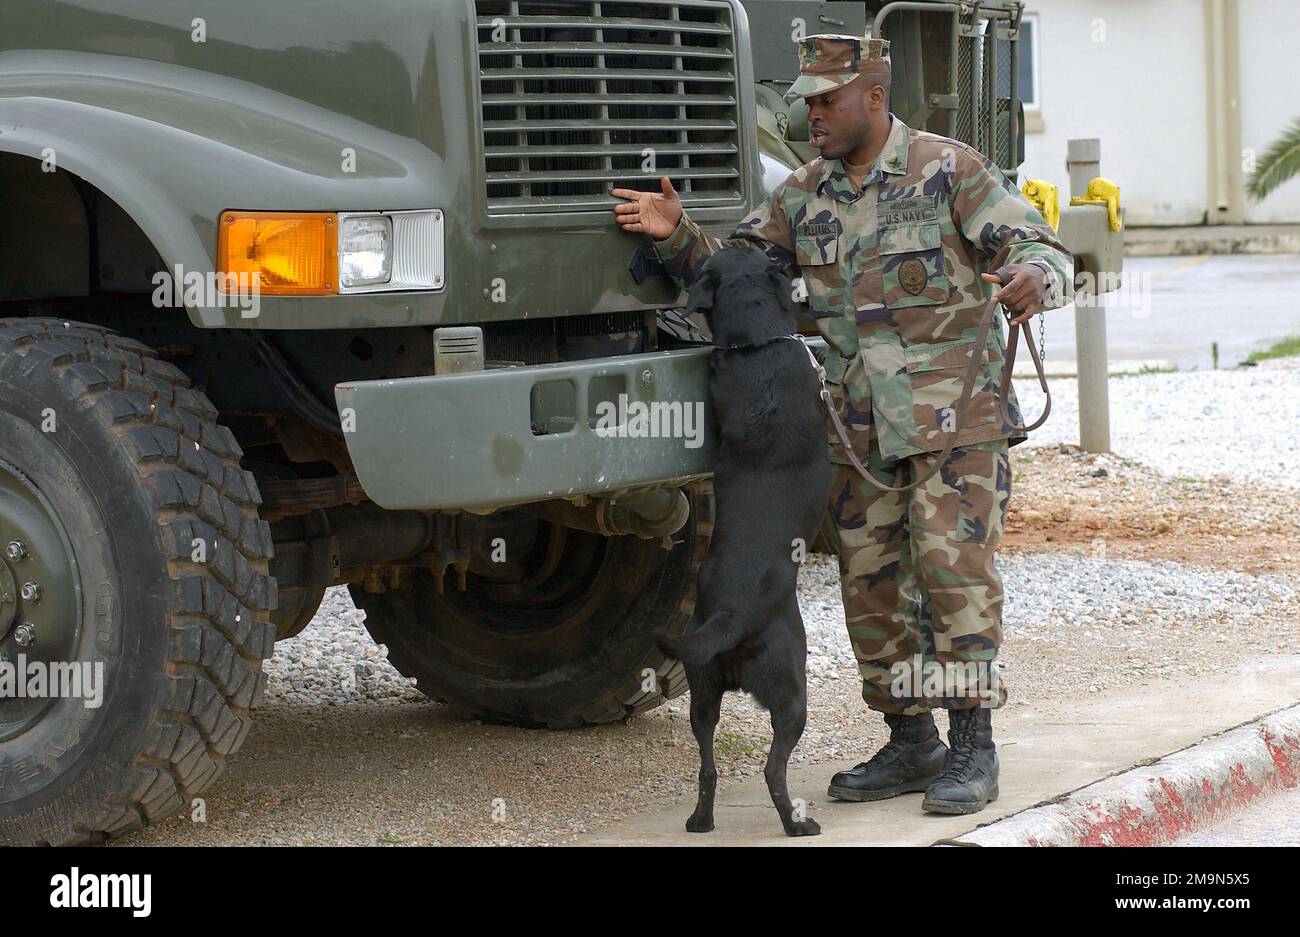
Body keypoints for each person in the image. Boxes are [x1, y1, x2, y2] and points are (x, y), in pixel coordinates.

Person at [612, 34, 1071, 815]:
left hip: (956, 423)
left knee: (954, 581)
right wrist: (680, 235)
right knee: (871, 592)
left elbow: (1038, 245)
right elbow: (743, 274)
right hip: (858, 436)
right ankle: (910, 738)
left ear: (874, 97)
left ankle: (971, 746)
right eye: (808, 101)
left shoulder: (947, 168)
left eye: (828, 100)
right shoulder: (802, 194)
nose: (811, 113)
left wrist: (1035, 276)